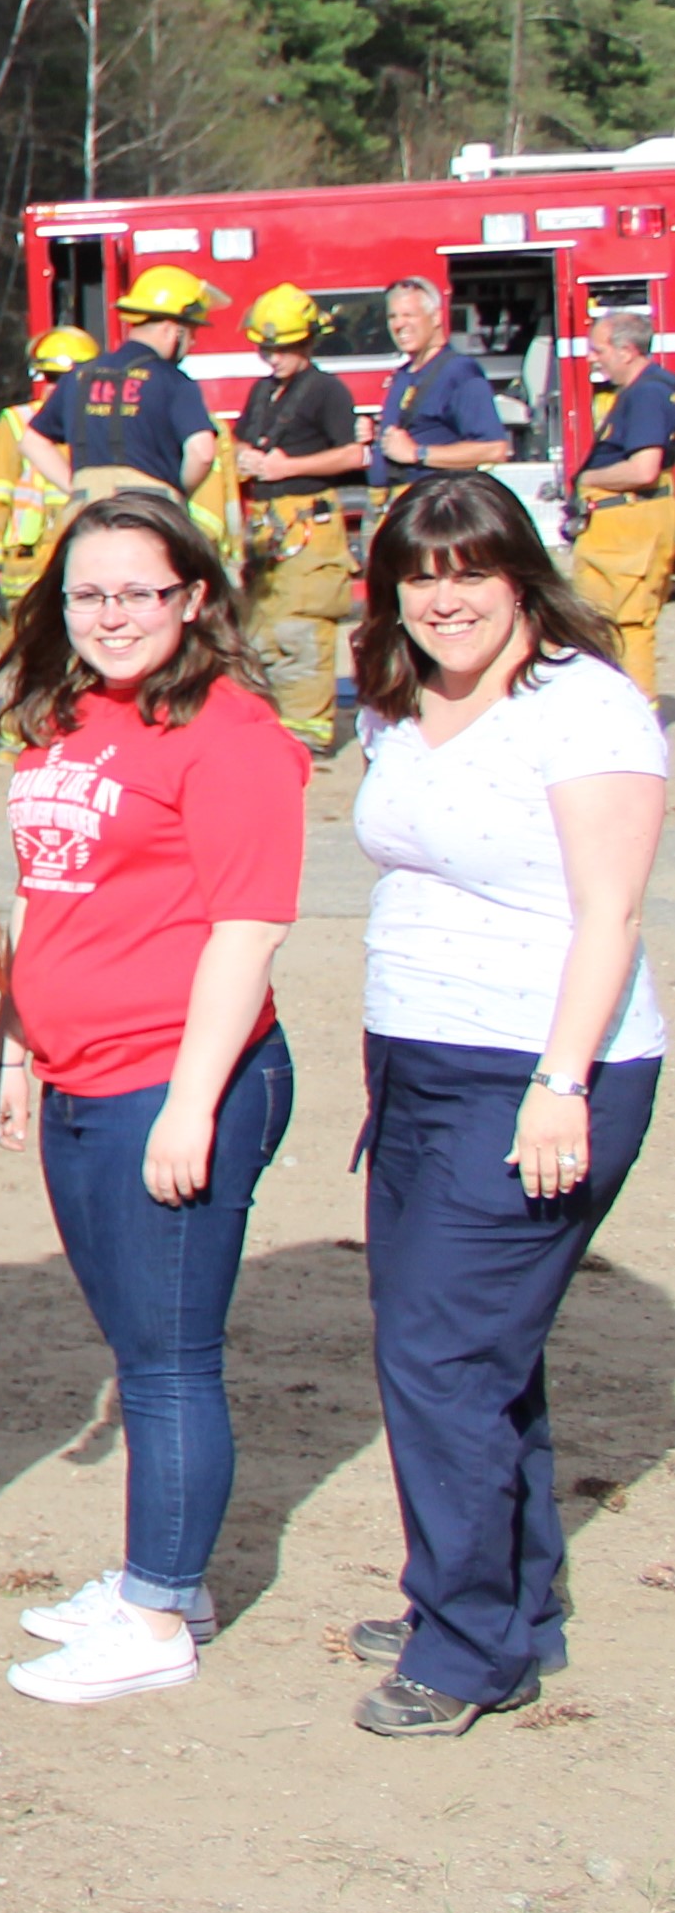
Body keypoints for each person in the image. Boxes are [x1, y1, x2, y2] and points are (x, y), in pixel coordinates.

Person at [340, 476, 662, 1735]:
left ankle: (468, 1646)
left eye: (469, 571)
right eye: (418, 578)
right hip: (414, 1063)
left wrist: (558, 1082)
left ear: (518, 574)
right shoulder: (397, 696)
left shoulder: (583, 708)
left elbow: (610, 915)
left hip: (536, 1070)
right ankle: (497, 1599)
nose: (444, 600)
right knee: (472, 1354)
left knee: (439, 1357)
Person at [0, 494, 307, 1705]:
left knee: (170, 1362)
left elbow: (246, 927)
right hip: (76, 1073)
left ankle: (159, 1613)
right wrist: (15, 1050)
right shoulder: (68, 718)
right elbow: (46, 896)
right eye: (87, 594)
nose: (110, 615)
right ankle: (156, 1574)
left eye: (137, 592)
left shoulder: (229, 732)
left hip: (172, 1078)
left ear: (192, 598)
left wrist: (190, 1103)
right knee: (133, 1347)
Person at [230, 285, 370, 755]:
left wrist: (287, 468)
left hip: (308, 523)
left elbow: (352, 454)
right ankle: (273, 728)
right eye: (266, 348)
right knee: (262, 626)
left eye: (283, 348)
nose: (273, 357)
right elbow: (241, 439)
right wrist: (244, 456)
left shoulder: (328, 391)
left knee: (302, 628)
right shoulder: (263, 391)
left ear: (307, 342)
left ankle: (307, 734)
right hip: (267, 524)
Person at [21, 267, 230, 507]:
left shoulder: (78, 376)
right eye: (192, 332)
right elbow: (202, 453)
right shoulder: (174, 381)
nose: (193, 341)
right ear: (171, 330)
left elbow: (32, 441)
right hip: (149, 510)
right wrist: (176, 494)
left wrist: (76, 489)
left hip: (88, 510)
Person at [566, 307, 675, 695]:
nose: (592, 358)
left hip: (629, 531)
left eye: (599, 350)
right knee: (601, 626)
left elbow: (644, 469)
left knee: (627, 627)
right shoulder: (648, 388)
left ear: (627, 351)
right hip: (624, 530)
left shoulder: (647, 393)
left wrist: (588, 479)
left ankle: (637, 715)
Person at [0, 328, 93, 628]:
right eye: (49, 378)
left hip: (83, 562)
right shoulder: (16, 424)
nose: (54, 388)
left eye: (64, 379)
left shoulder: (102, 426)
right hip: (27, 569)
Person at [372, 277, 512, 485]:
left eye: (409, 315)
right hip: (395, 498)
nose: (399, 324)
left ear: (436, 317)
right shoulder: (403, 374)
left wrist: (417, 453)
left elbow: (494, 449)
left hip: (434, 499)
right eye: (393, 317)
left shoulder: (459, 371)